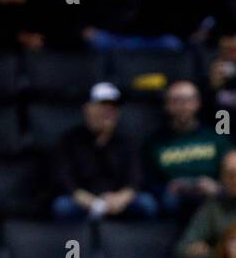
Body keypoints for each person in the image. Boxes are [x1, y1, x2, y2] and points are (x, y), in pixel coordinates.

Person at [52, 82, 159, 221]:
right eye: (102, 105)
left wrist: (121, 198)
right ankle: (73, 243)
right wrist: (91, 202)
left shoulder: (127, 141)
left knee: (146, 204)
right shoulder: (69, 141)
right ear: (87, 109)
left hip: (117, 200)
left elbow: (135, 178)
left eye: (113, 107)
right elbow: (64, 179)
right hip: (83, 200)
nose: (108, 111)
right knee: (62, 206)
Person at [144, 79, 228, 215]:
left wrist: (216, 185)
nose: (183, 106)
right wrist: (169, 187)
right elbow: (148, 182)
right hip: (173, 200)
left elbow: (231, 168)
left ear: (198, 103)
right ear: (167, 105)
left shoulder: (216, 136)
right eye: (176, 101)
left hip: (211, 194)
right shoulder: (154, 142)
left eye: (188, 100)